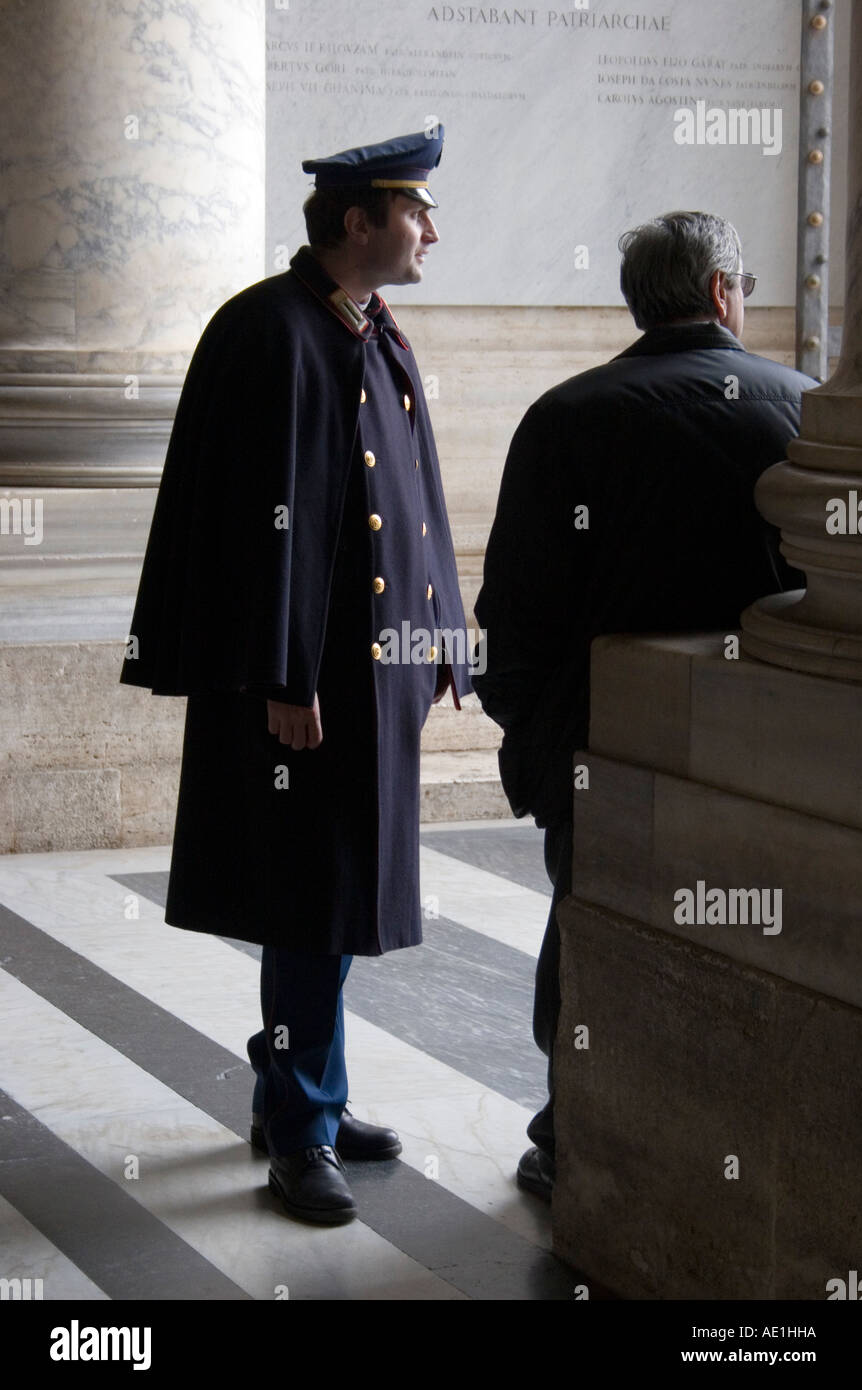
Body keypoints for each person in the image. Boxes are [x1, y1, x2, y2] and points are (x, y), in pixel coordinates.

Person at [121, 128, 470, 1225]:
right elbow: (244, 531)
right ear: (357, 222)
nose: (429, 230)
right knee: (308, 899)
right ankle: (300, 1122)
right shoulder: (265, 333)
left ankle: (301, 1086)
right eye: (414, 213)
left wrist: (443, 638)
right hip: (301, 691)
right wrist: (280, 672)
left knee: (337, 894)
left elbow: (413, 497)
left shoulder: (369, 327)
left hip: (373, 682)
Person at [472, 210, 815, 1203]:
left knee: (588, 924)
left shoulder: (567, 415)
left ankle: (571, 1123)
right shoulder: (796, 405)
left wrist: (536, 730)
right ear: (718, 291)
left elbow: (517, 607)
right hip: (765, 744)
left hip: (602, 738)